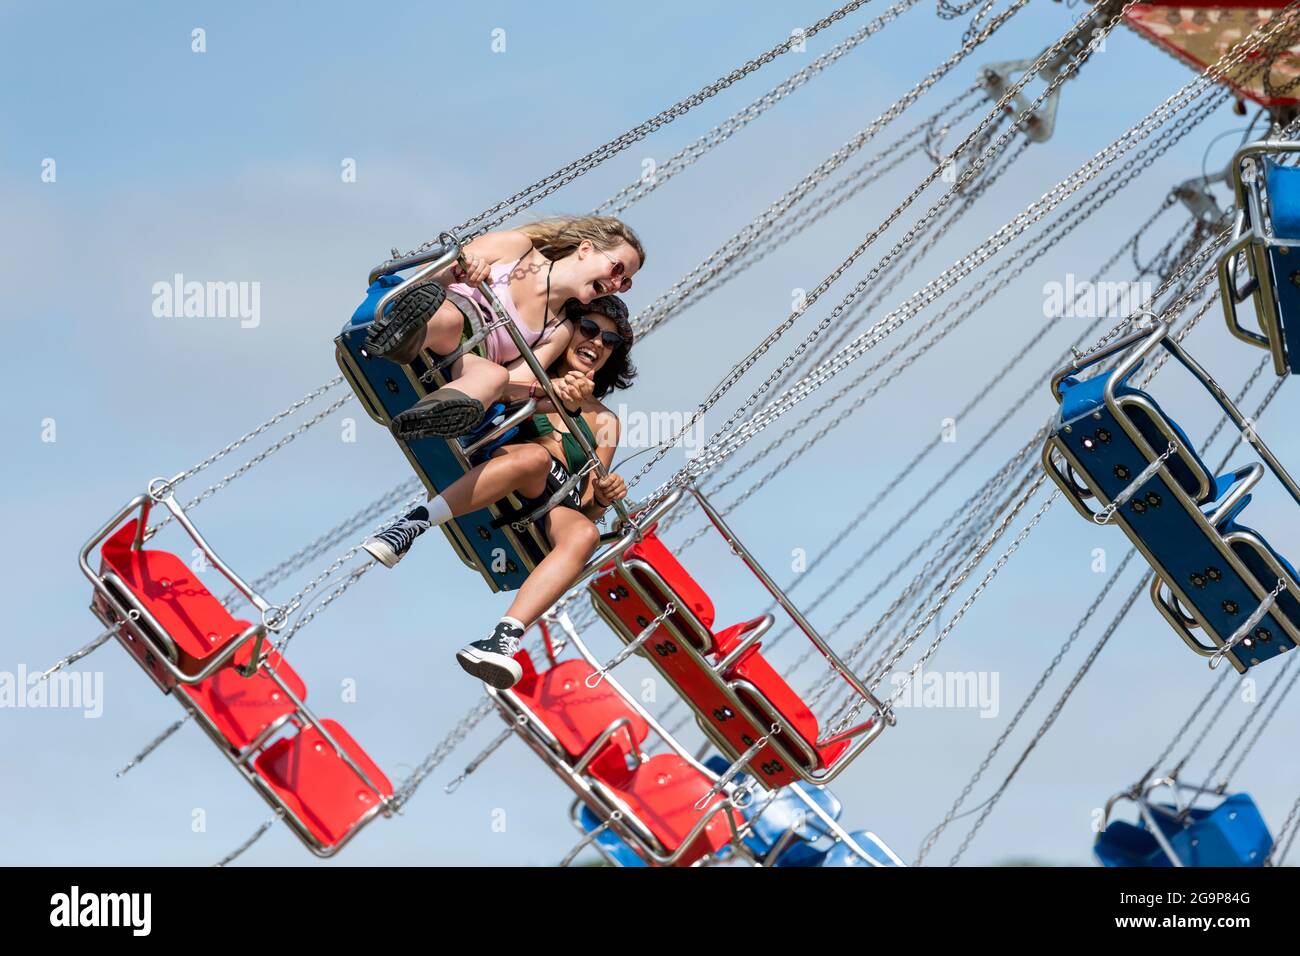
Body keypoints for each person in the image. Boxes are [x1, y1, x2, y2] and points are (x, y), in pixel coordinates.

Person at [363, 295, 637, 689]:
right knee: (536, 460)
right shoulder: (528, 367)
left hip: (556, 500)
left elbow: (590, 506)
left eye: (610, 341)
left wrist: (606, 495)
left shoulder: (607, 420)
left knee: (586, 534)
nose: (597, 343)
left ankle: (503, 636)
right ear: (569, 331)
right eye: (589, 330)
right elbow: (493, 388)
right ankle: (412, 526)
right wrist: (551, 394)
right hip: (516, 459)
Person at [365, 216, 644, 441]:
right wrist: (458, 271)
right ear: (585, 250)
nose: (617, 285)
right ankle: (400, 336)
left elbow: (512, 386)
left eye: (626, 283)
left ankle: (431, 415)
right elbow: (424, 274)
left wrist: (548, 390)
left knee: (495, 376)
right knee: (450, 320)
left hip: (469, 359)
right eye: (618, 270)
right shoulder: (517, 249)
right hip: (450, 311)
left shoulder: (559, 330)